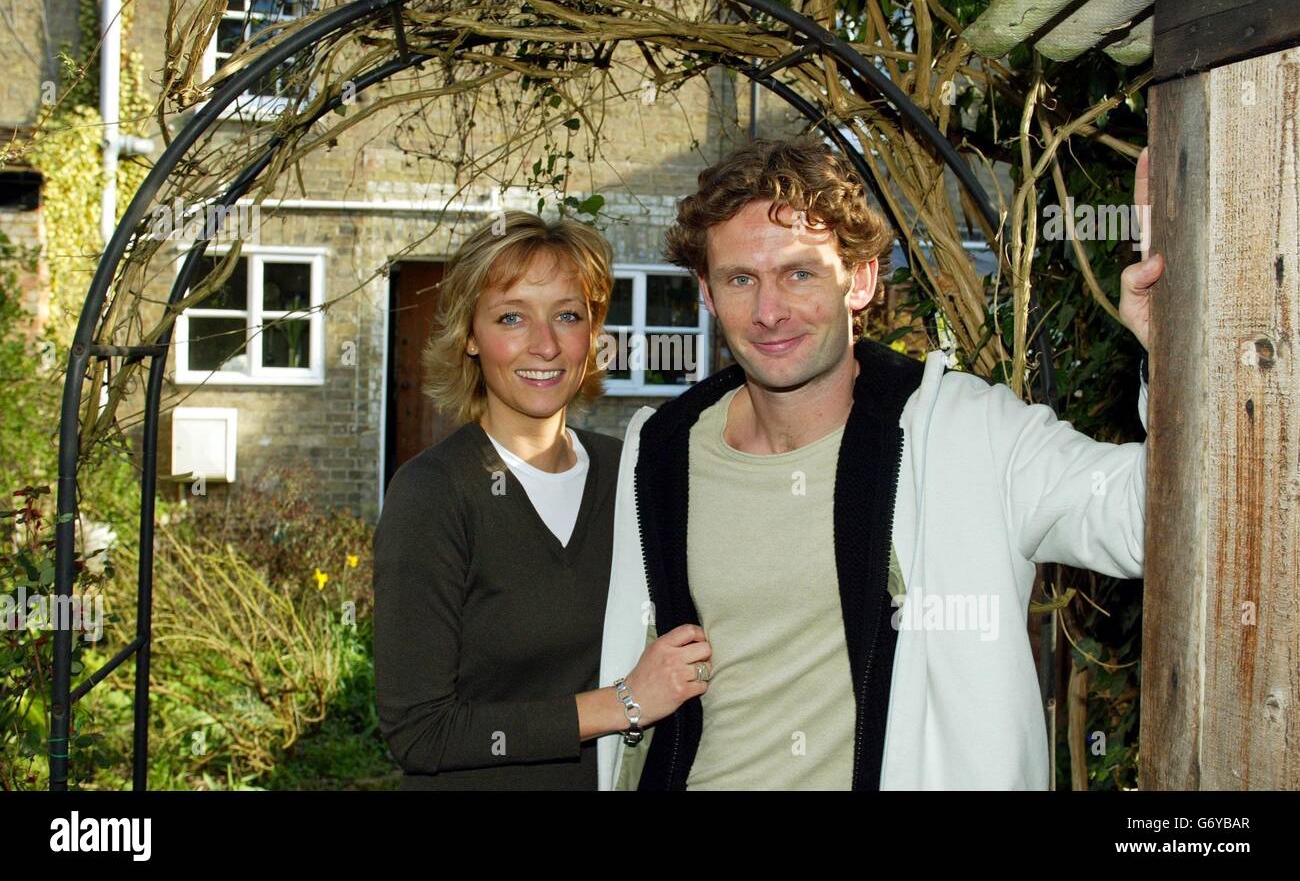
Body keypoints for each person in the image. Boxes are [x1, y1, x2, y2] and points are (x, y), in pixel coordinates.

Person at [597, 137, 1164, 790]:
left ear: (858, 279)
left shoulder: (960, 431)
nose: (769, 310)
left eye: (800, 273)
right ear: (706, 291)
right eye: (740, 278)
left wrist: (1174, 343)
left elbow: (1142, 522)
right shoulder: (659, 448)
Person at [373, 210, 711, 789]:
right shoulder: (434, 493)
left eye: (567, 315)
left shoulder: (630, 471)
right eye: (512, 317)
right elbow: (419, 732)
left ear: (593, 334)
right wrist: (622, 703)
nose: (546, 344)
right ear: (470, 338)